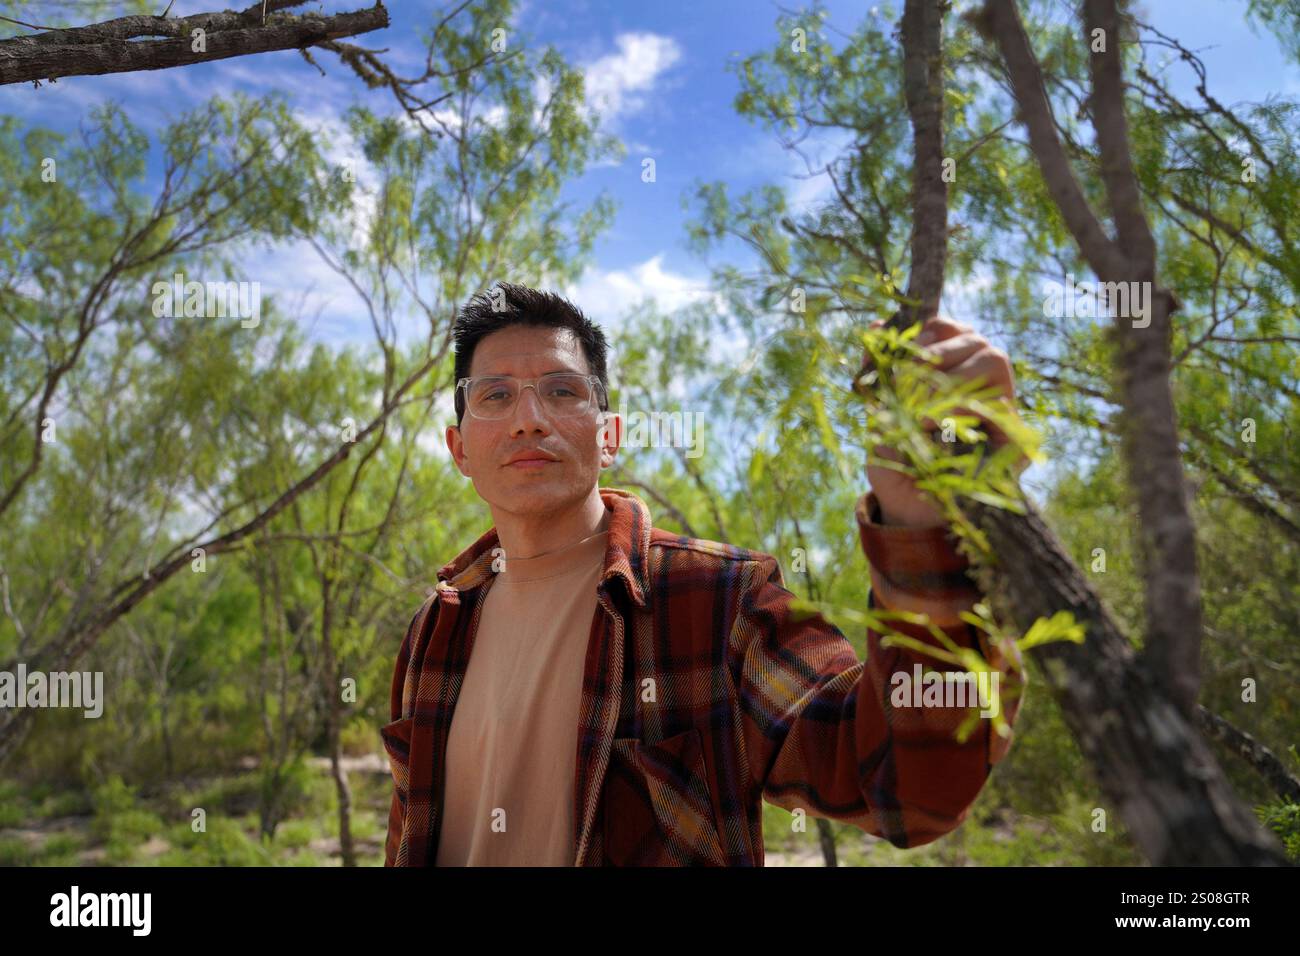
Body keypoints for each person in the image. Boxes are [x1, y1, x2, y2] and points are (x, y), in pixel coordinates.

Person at [381, 282, 1027, 866]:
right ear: (459, 448)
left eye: (561, 390)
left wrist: (923, 528)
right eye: (495, 395)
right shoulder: (434, 631)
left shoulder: (719, 601)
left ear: (609, 435)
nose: (530, 417)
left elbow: (903, 788)